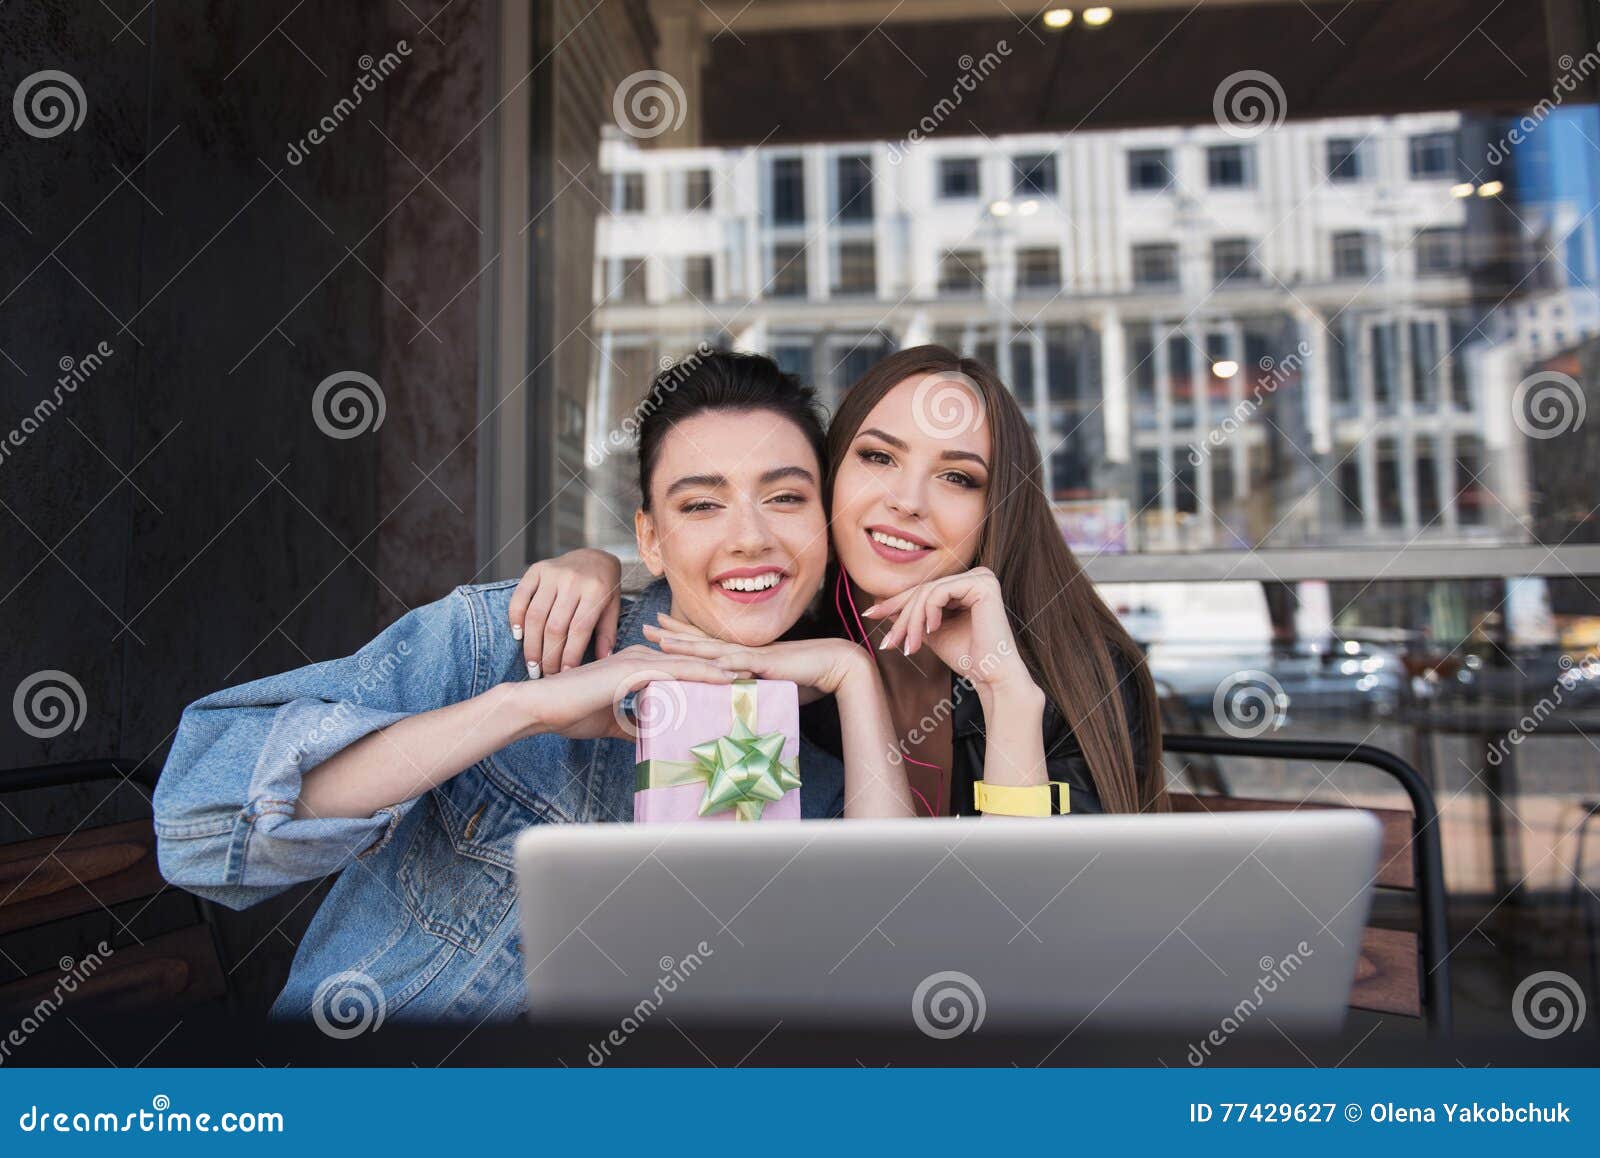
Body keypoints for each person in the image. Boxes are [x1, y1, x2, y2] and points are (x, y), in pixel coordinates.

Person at [153, 351, 914, 1023]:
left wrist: (853, 675)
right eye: (700, 504)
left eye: (785, 498)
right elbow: (201, 826)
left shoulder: (824, 785)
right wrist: (520, 709)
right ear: (650, 538)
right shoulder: (510, 639)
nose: (750, 536)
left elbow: (889, 996)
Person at [516, 345, 1166, 818]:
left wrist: (1008, 700)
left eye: (958, 477)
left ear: (997, 509)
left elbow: (1029, 923)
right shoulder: (780, 630)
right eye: (878, 456)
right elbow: (702, 556)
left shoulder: (1083, 672)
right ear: (826, 479)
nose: (907, 501)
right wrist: (600, 565)